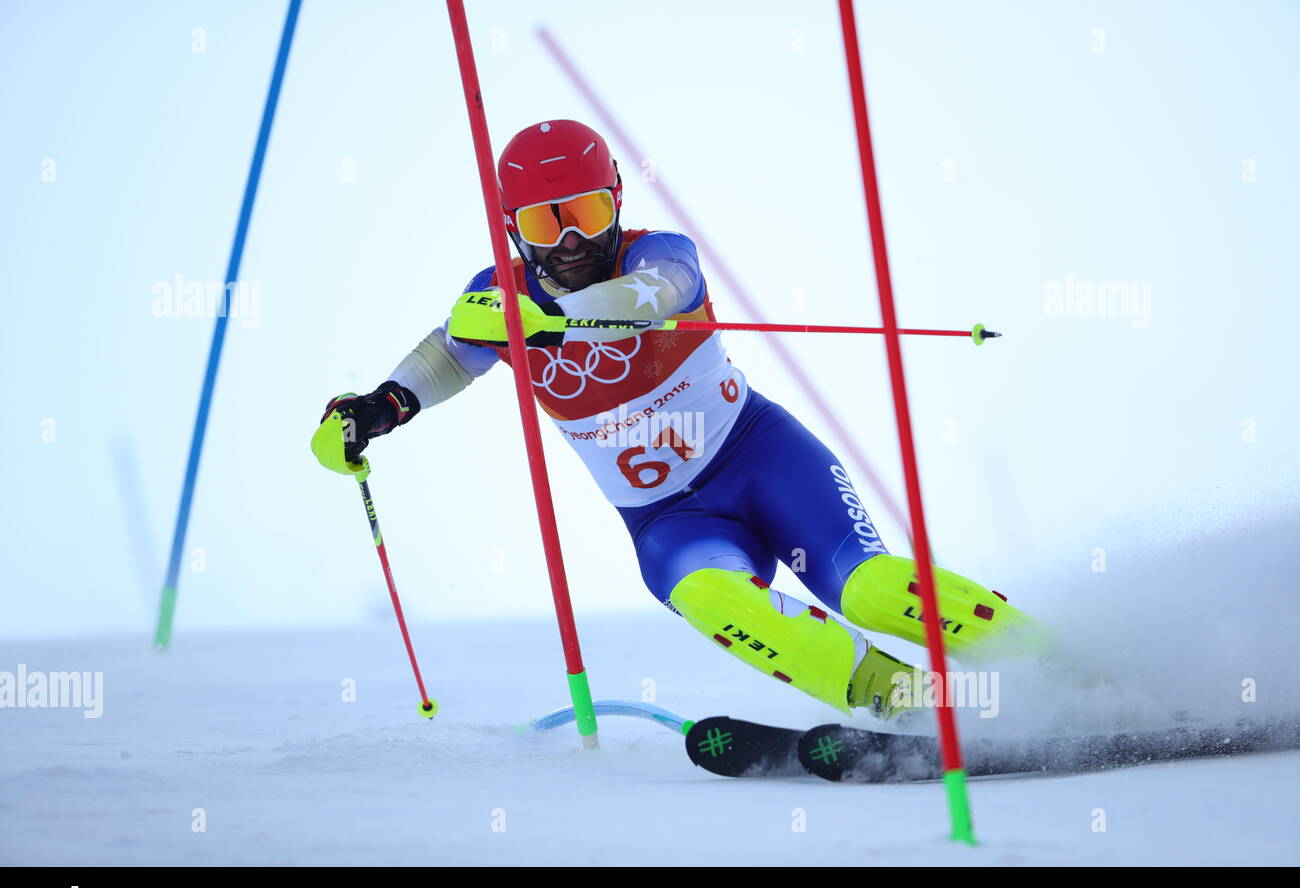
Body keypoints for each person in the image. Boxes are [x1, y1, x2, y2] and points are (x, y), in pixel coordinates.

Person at [312, 119, 1037, 720]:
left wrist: (553, 319)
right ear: (513, 228)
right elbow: (448, 353)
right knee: (710, 599)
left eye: (589, 212)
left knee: (870, 589)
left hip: (760, 459)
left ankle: (1063, 669)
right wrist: (377, 409)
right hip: (669, 520)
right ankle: (917, 705)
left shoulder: (656, 255)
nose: (571, 241)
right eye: (545, 221)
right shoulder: (496, 298)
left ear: (618, 202)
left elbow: (657, 295)